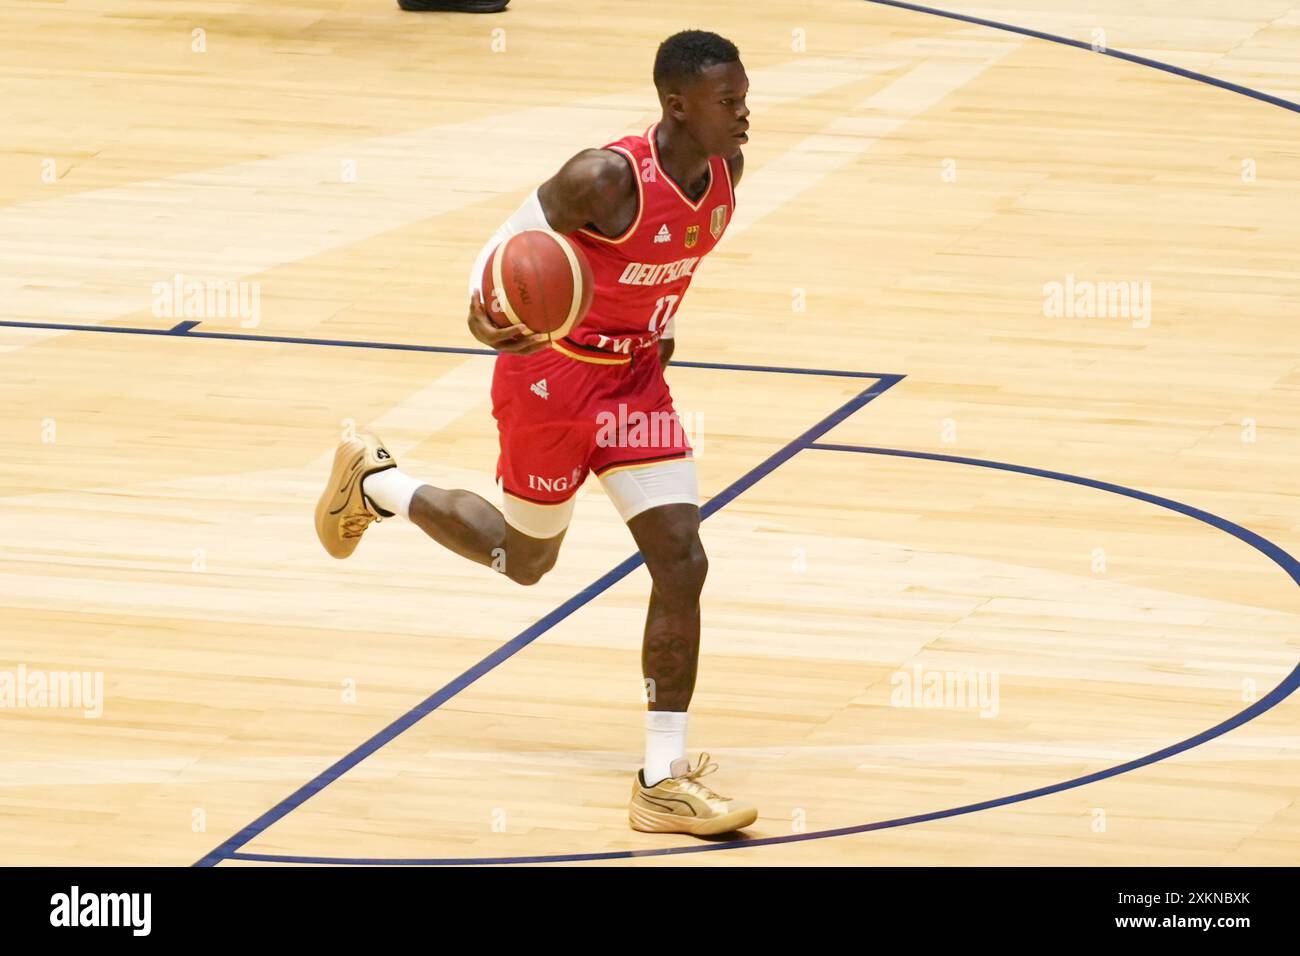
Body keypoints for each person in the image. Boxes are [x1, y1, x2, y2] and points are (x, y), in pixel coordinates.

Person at [315, 30, 754, 836]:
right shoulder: (601, 178)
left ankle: (661, 778)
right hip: (549, 380)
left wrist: (652, 328)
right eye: (728, 103)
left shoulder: (724, 173)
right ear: (675, 106)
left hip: (632, 384)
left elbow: (657, 268)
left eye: (744, 98)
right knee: (525, 560)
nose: (744, 115)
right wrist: (492, 314)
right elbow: (501, 255)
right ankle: (379, 487)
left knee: (682, 559)